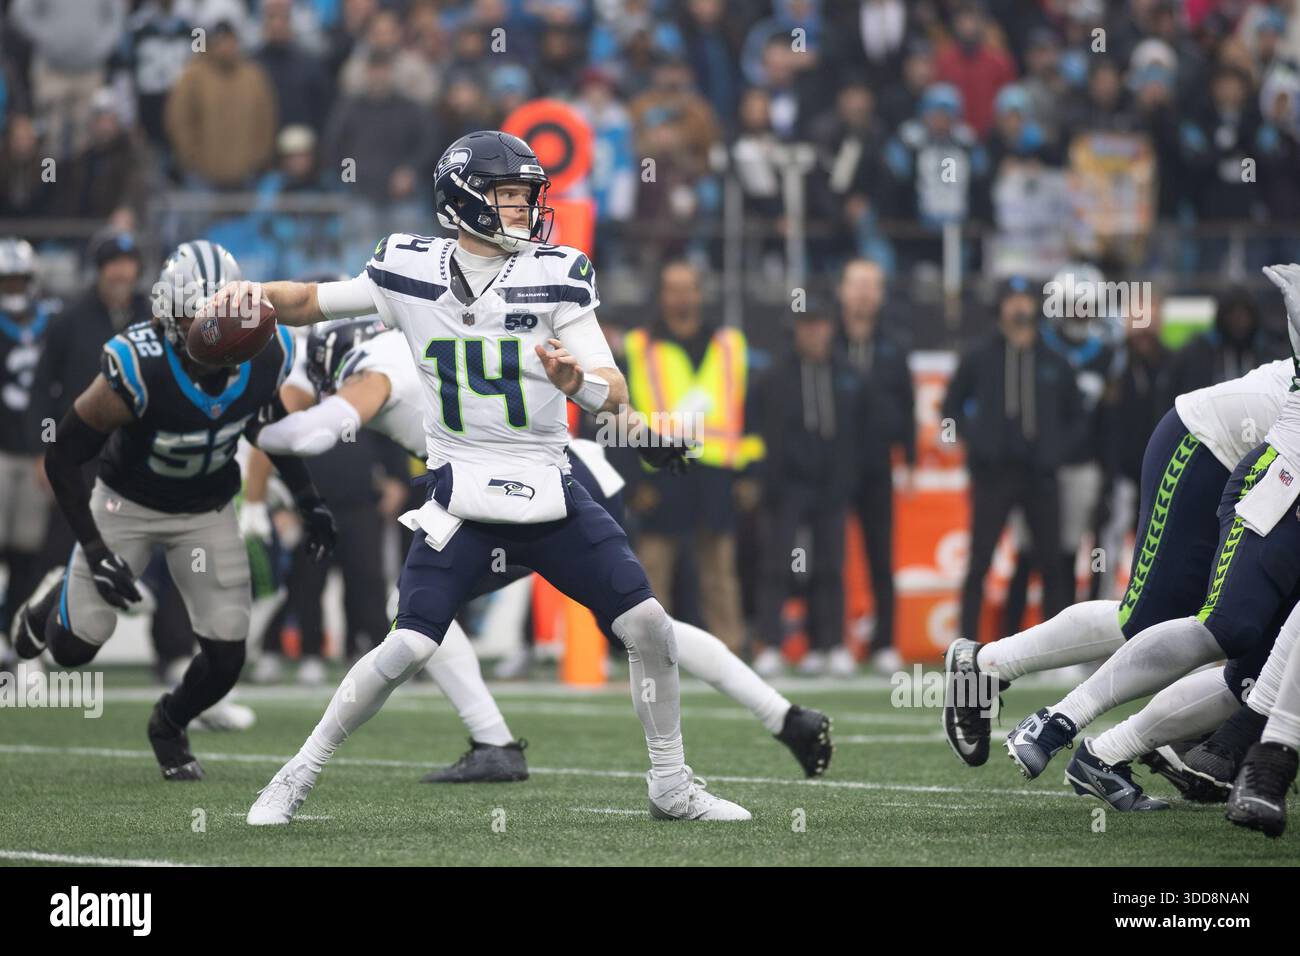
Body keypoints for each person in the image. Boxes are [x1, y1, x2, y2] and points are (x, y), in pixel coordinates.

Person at [235, 130, 752, 824]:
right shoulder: (405, 269)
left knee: (649, 626)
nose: (525, 209)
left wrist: (580, 385)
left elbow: (615, 388)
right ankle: (295, 776)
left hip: (549, 485)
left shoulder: (558, 272)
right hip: (461, 493)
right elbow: (306, 301)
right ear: (463, 200)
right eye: (509, 195)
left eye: (526, 196)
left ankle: (670, 784)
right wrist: (242, 298)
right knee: (408, 645)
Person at [255, 317, 833, 781]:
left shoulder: (363, 366)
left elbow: (297, 417)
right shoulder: (419, 328)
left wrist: (251, 441)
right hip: (567, 476)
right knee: (648, 626)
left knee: (413, 616)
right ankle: (785, 717)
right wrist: (640, 432)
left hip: (523, 494)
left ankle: (494, 742)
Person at [9, 241, 337, 781]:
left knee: (228, 656)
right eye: (196, 316)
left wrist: (309, 500)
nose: (210, 329)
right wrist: (93, 546)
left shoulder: (266, 352)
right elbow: (65, 455)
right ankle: (50, 604)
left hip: (206, 509)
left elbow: (264, 425)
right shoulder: (139, 361)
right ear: (167, 313)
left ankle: (169, 723)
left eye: (219, 315)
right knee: (73, 649)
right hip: (126, 505)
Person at [1002, 265, 1300, 805]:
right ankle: (1017, 684)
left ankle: (1118, 749)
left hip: (1278, 482)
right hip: (1215, 449)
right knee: (1174, 619)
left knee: (1253, 671)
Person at [622, 261, 763, 654]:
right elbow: (620, 413)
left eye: (689, 288)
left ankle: (730, 650)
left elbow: (746, 410)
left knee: (719, 571)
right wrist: (635, 482)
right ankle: (651, 652)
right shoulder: (639, 345)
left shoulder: (729, 344)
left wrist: (749, 471)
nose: (682, 297)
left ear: (701, 293)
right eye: (673, 289)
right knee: (653, 570)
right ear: (662, 295)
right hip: (660, 471)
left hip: (716, 470)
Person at [941, 277, 1082, 646]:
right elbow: (949, 408)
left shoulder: (1055, 360)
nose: (1019, 308)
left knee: (1051, 562)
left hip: (1040, 474)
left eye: (1025, 300)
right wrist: (977, 442)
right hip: (993, 474)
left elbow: (1078, 416)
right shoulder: (978, 356)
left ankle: (1057, 649)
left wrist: (1057, 450)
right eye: (1012, 300)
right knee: (980, 560)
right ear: (1000, 307)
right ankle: (966, 643)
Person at [753, 305, 865, 677]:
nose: (815, 333)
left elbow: (859, 433)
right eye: (807, 325)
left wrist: (847, 477)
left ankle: (829, 643)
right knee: (776, 564)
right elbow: (757, 430)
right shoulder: (773, 377)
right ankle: (770, 642)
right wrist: (763, 479)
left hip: (832, 485)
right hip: (787, 486)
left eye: (820, 324)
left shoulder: (847, 375)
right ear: (796, 330)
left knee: (830, 564)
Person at [838, 259, 913, 672]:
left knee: (881, 557)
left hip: (878, 465)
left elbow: (908, 402)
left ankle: (884, 642)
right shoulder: (828, 339)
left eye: (872, 285)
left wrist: (912, 459)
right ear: (844, 290)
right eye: (857, 284)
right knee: (831, 557)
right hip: (832, 464)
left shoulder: (893, 344)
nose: (864, 293)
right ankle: (832, 642)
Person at [0, 238, 57, 635]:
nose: (14, 290)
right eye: (7, 283)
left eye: (19, 282)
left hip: (35, 452)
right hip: (1, 451)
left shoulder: (53, 322)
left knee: (27, 549)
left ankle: (10, 632)